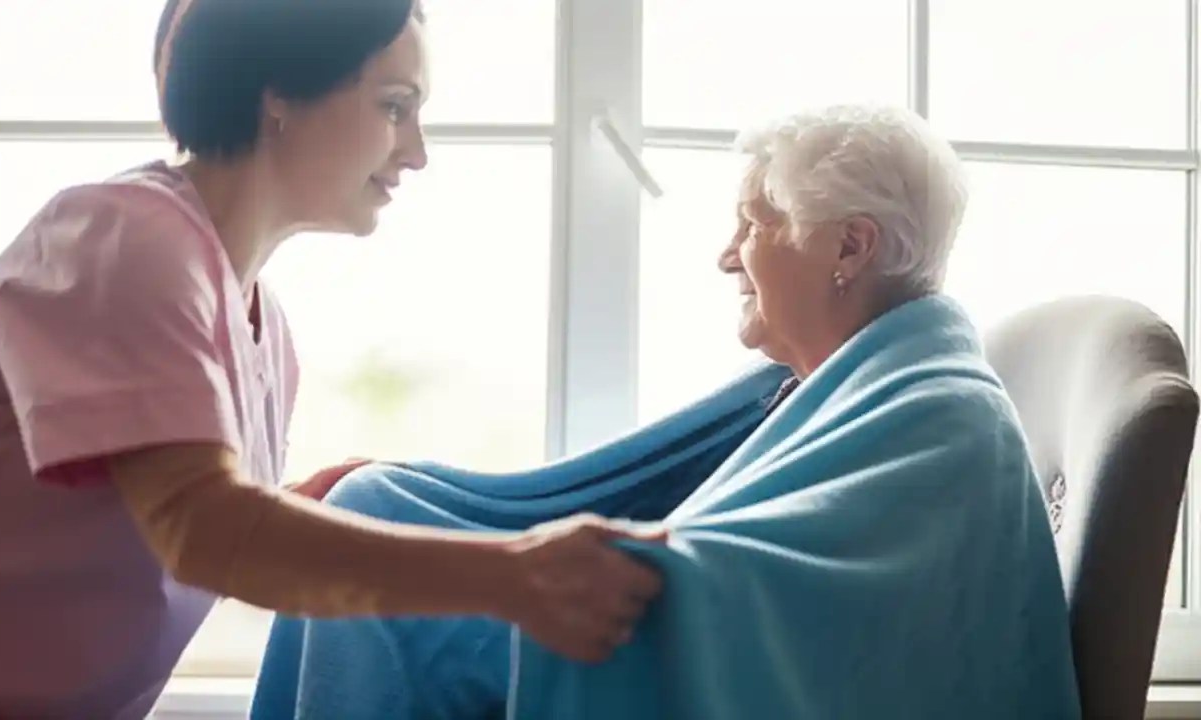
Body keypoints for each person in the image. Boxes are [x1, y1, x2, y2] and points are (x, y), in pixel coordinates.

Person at [0, 1, 664, 717]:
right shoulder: (124, 237)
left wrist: (310, 504)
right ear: (278, 91)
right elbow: (204, 531)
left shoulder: (263, 329)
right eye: (396, 106)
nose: (418, 152)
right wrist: (514, 575)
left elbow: (178, 523)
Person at [252, 105, 1082, 719]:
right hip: (677, 616)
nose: (728, 255)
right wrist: (408, 494)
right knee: (373, 509)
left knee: (382, 593)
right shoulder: (837, 382)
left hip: (680, 642)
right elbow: (605, 495)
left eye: (753, 223)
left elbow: (778, 599)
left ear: (849, 247)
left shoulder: (939, 414)